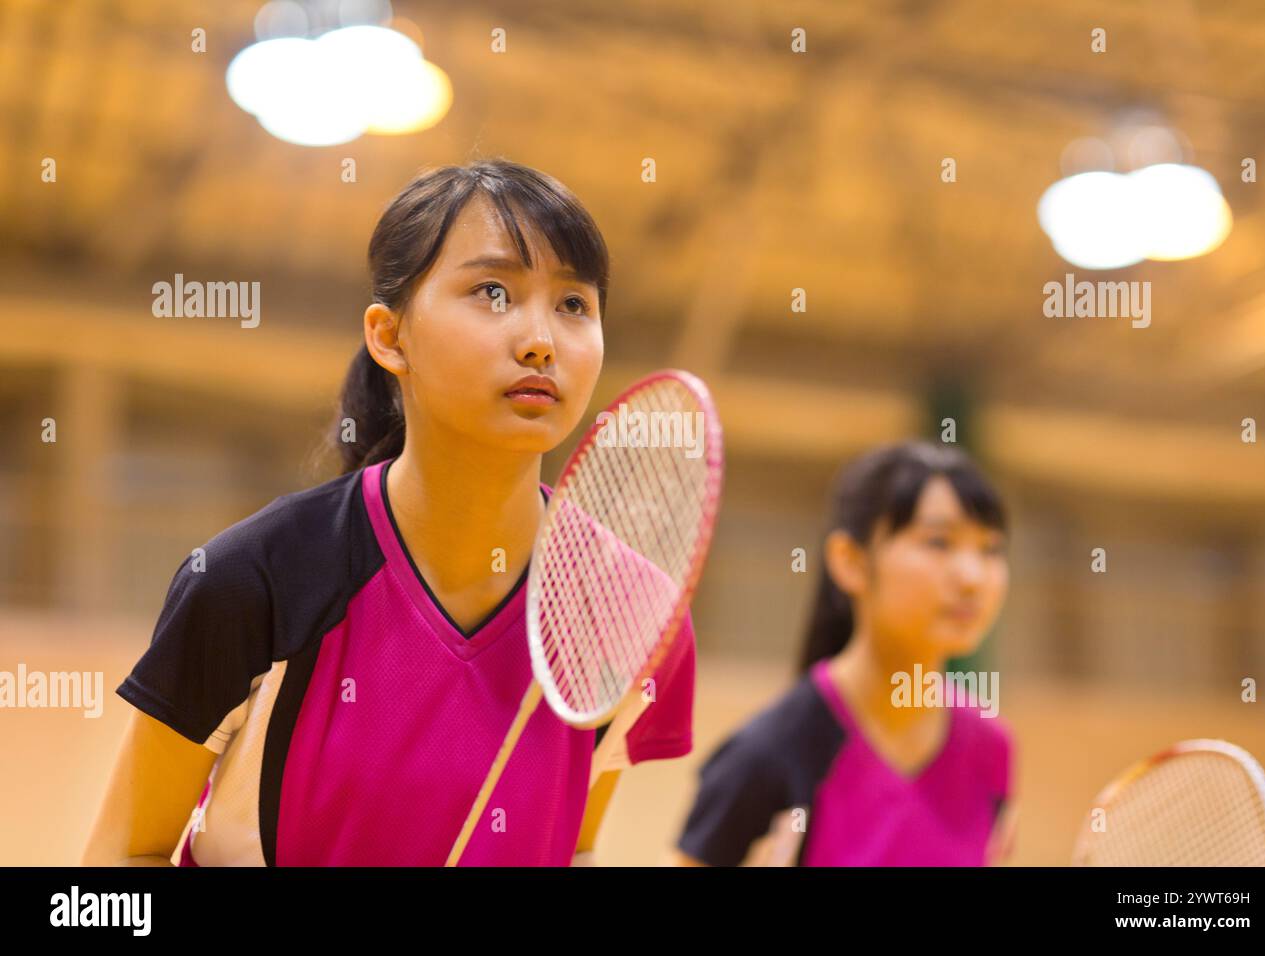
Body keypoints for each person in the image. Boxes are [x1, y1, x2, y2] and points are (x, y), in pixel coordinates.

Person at [82, 158, 694, 867]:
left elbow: (573, 845)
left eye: (573, 305)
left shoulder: (634, 615)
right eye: (492, 292)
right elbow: (112, 876)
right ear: (389, 336)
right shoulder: (253, 580)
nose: (540, 340)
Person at [672, 441, 1014, 866]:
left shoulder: (991, 750)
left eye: (991, 549)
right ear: (850, 561)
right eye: (939, 542)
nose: (973, 577)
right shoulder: (766, 755)